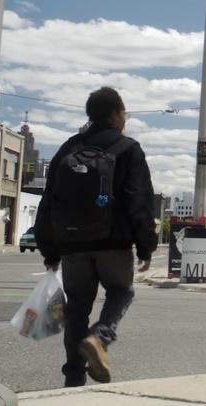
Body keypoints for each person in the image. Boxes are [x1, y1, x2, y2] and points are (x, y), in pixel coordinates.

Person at [35, 87, 158, 387]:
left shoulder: (69, 148)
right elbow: (138, 201)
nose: (125, 118)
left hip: (73, 246)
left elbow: (49, 200)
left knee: (77, 306)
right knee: (121, 292)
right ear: (116, 114)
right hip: (112, 243)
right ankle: (100, 337)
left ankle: (74, 377)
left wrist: (49, 249)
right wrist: (146, 245)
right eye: (124, 112)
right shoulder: (128, 149)